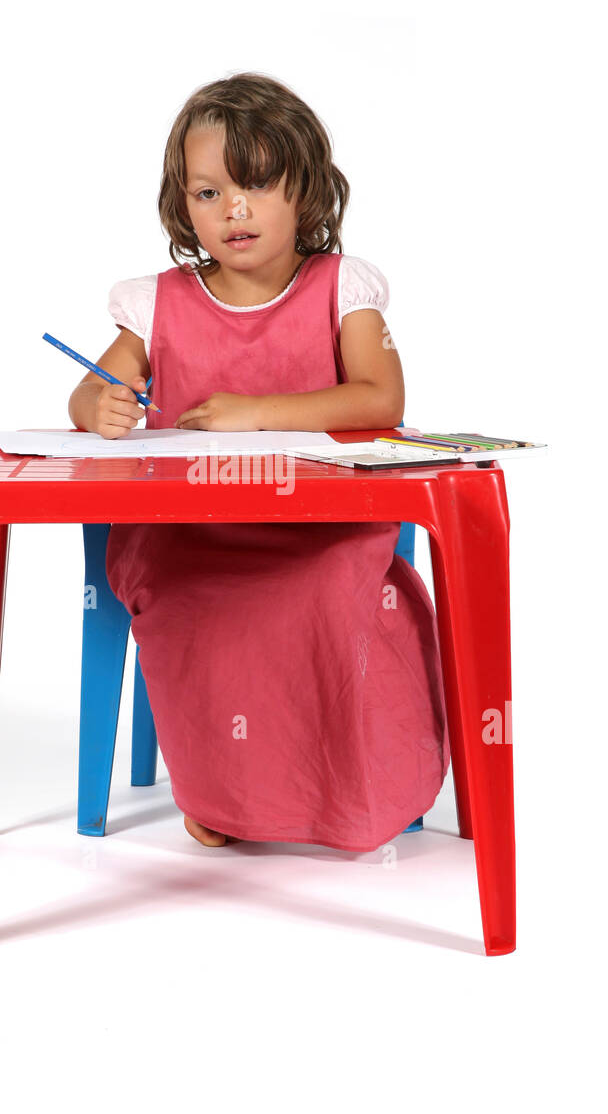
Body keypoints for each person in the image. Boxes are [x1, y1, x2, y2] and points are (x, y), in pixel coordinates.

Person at [68, 71, 449, 852]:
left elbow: (380, 398)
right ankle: (221, 794)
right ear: (184, 208)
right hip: (186, 535)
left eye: (257, 185)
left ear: (305, 193)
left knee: (319, 598)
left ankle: (339, 794)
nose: (233, 210)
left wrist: (252, 413)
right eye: (208, 194)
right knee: (196, 605)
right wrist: (97, 407)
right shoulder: (157, 303)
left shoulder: (344, 290)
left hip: (322, 530)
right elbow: (90, 390)